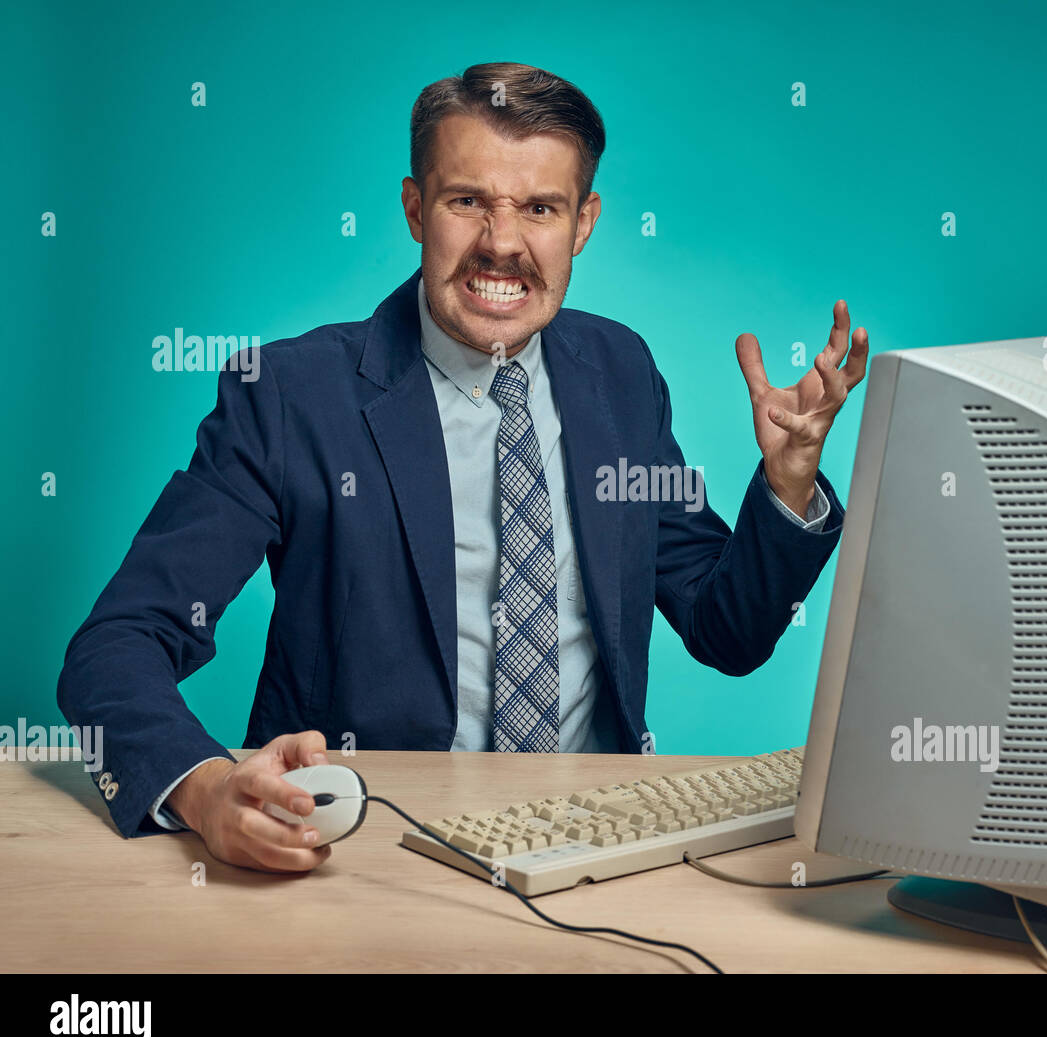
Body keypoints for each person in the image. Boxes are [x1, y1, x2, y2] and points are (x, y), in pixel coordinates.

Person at [57, 62, 868, 873]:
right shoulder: (290, 397)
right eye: (468, 201)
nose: (502, 244)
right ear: (416, 209)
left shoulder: (620, 373)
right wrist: (204, 791)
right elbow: (115, 647)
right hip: (362, 853)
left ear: (583, 222)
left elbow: (725, 630)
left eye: (541, 208)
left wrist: (790, 481)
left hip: (594, 849)